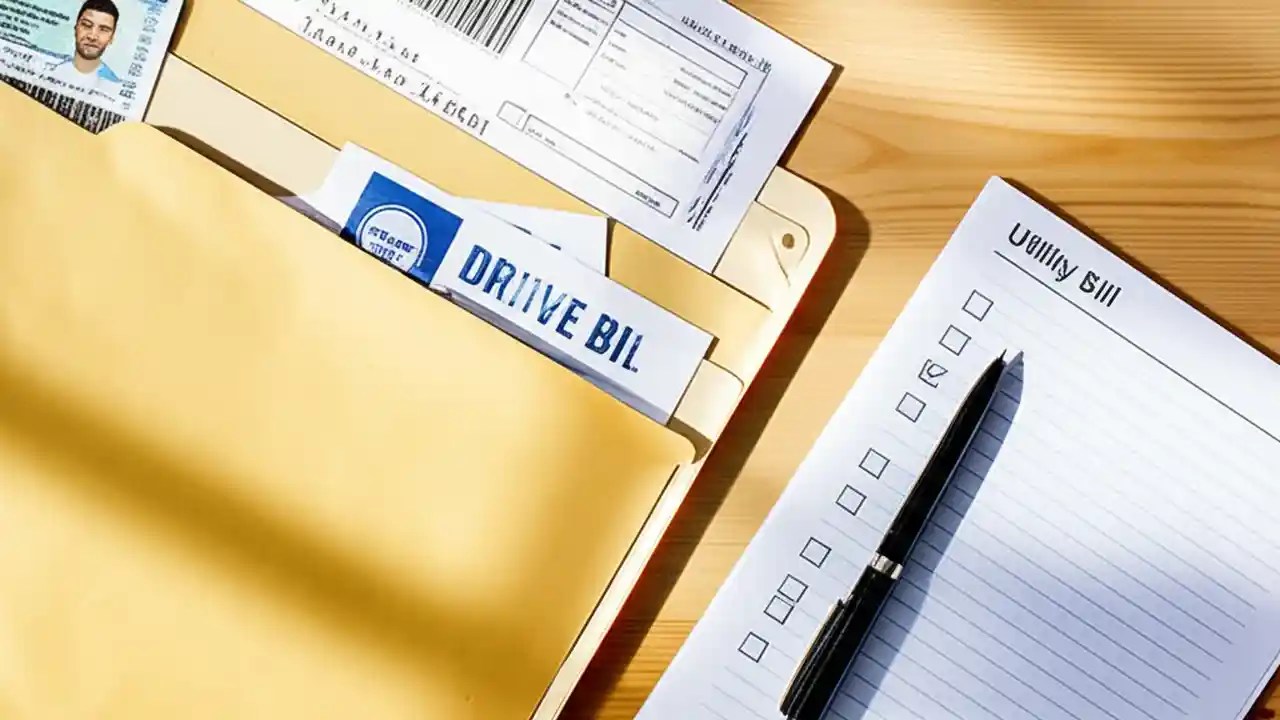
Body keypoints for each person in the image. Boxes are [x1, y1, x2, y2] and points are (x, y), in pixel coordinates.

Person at [47, 0, 121, 92]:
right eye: (86, 25)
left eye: (104, 30)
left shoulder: (114, 87)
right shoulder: (48, 69)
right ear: (75, 28)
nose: (92, 36)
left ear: (112, 38)